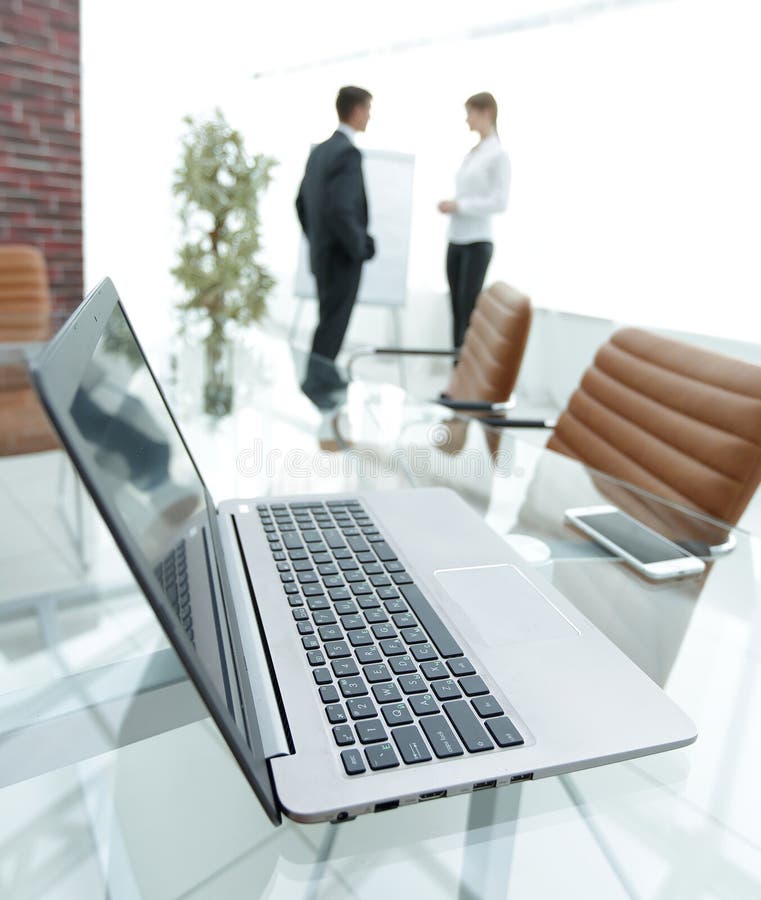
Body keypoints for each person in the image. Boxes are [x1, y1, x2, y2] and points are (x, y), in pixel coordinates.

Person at [296, 85, 375, 407]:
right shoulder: (347, 153)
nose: (369, 116)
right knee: (332, 327)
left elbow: (300, 203)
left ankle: (319, 384)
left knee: (326, 323)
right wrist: (360, 247)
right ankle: (317, 390)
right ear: (356, 109)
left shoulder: (320, 151)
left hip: (322, 255)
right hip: (342, 258)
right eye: (368, 109)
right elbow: (342, 210)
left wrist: (317, 240)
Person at [438, 91, 510, 349]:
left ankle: (465, 370)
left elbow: (500, 202)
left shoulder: (498, 155)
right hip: (456, 238)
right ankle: (456, 368)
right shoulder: (473, 153)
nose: (467, 119)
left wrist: (460, 206)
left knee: (467, 311)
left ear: (486, 112)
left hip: (477, 242)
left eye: (470, 113)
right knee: (456, 311)